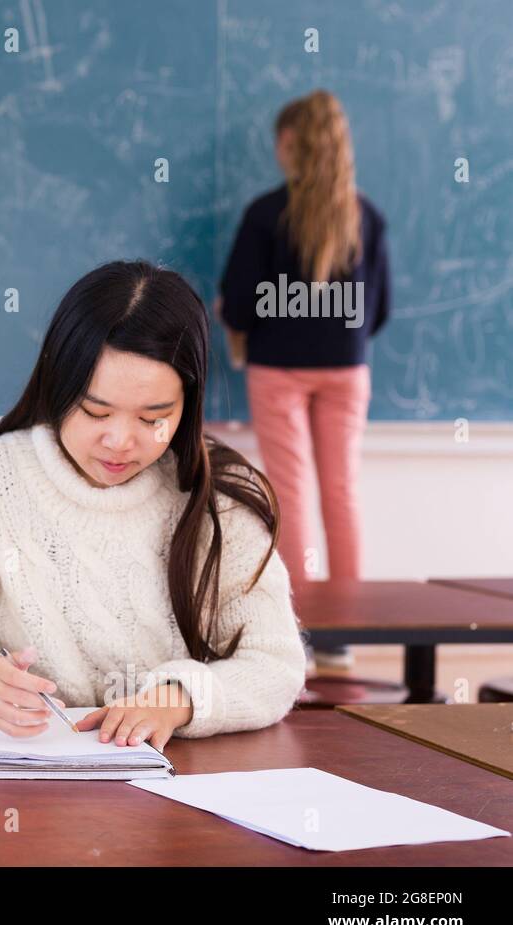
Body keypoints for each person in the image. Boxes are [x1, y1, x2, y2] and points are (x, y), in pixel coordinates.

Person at [0, 260, 306, 749]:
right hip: (22, 788)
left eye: (153, 418)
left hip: (174, 792)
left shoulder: (218, 497)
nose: (120, 441)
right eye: (95, 411)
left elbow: (275, 664)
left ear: (188, 403)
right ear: (58, 386)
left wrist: (177, 699)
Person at [219, 89, 391, 673]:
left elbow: (240, 303)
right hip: (347, 367)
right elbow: (381, 309)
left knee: (288, 493)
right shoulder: (366, 216)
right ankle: (347, 631)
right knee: (341, 490)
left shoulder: (266, 214)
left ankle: (303, 629)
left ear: (289, 142)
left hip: (280, 370)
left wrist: (234, 317)